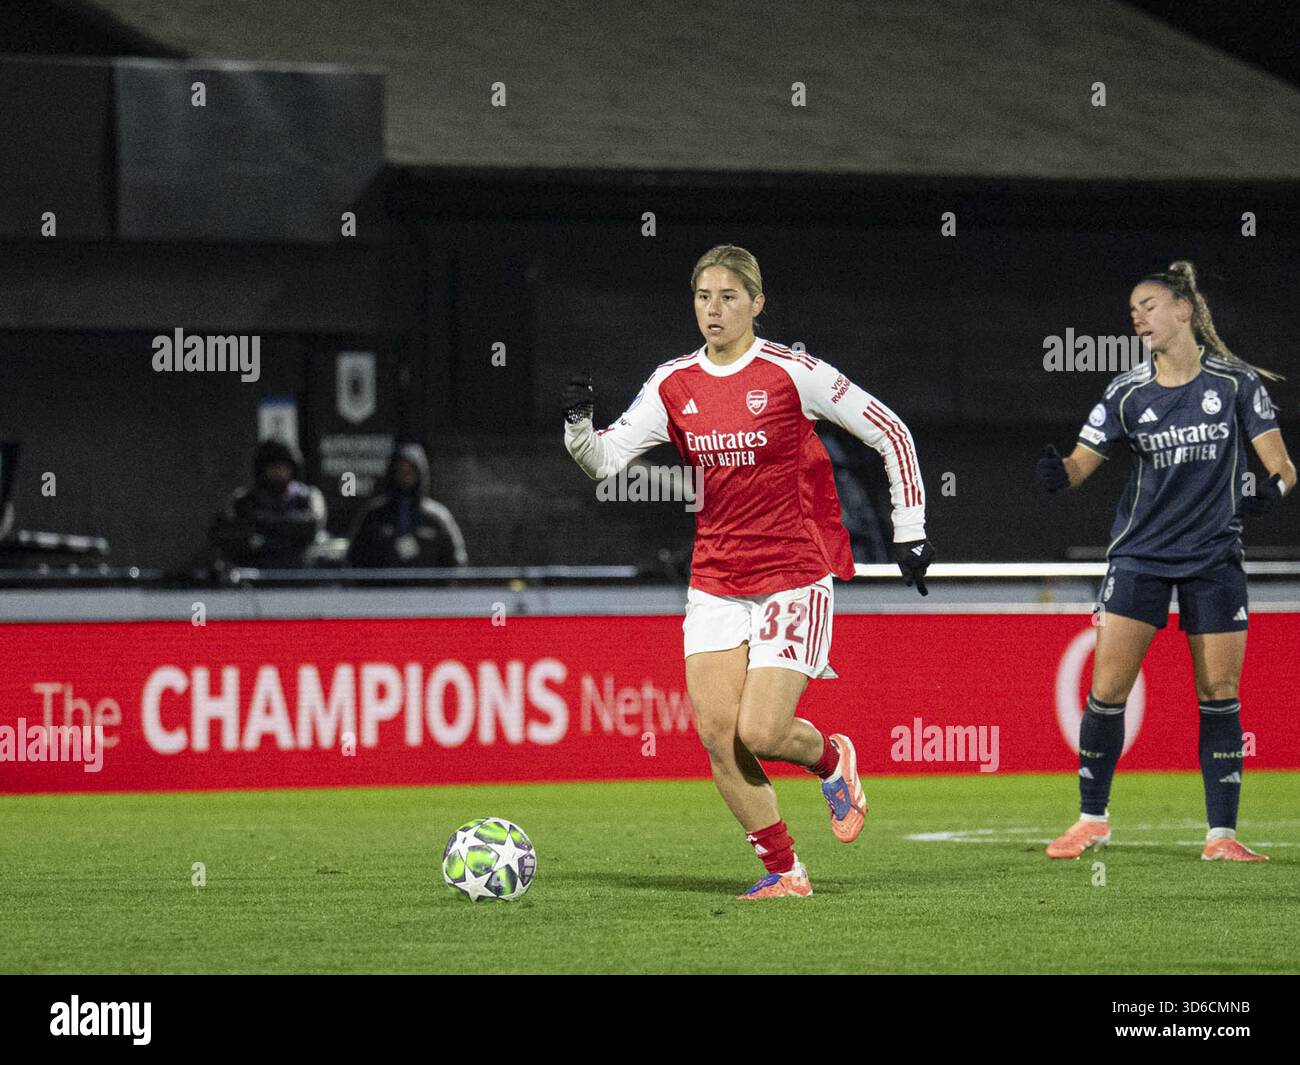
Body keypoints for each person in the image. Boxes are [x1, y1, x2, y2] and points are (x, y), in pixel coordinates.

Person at [562, 244, 933, 900]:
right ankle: (786, 871)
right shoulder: (674, 383)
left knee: (760, 730)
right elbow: (605, 461)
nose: (714, 308)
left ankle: (830, 757)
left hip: (794, 570)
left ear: (757, 304)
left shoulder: (793, 371)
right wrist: (575, 425)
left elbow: (891, 431)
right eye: (704, 296)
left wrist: (910, 530)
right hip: (715, 578)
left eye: (730, 296)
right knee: (716, 733)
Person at [1037, 260, 1294, 862]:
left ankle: (1221, 837)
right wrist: (1059, 474)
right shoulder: (1127, 393)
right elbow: (1080, 464)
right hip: (1139, 558)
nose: (1138, 315)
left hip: (1213, 558)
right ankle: (1091, 820)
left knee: (1219, 692)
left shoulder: (1235, 385)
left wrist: (1266, 493)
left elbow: (1283, 471)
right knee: (1106, 690)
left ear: (1184, 310)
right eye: (1133, 310)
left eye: (1149, 304)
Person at [209, 439, 327, 568]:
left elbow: (311, 525)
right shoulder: (244, 501)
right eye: (273, 467)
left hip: (302, 569)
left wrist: (264, 529)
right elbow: (231, 533)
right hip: (257, 568)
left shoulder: (308, 497)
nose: (279, 472)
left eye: (283, 467)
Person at [346, 443, 468, 568]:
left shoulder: (436, 517)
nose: (405, 477)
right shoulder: (374, 514)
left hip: (427, 586)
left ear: (420, 474)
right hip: (382, 586)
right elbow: (354, 556)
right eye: (400, 471)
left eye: (410, 471)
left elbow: (456, 559)